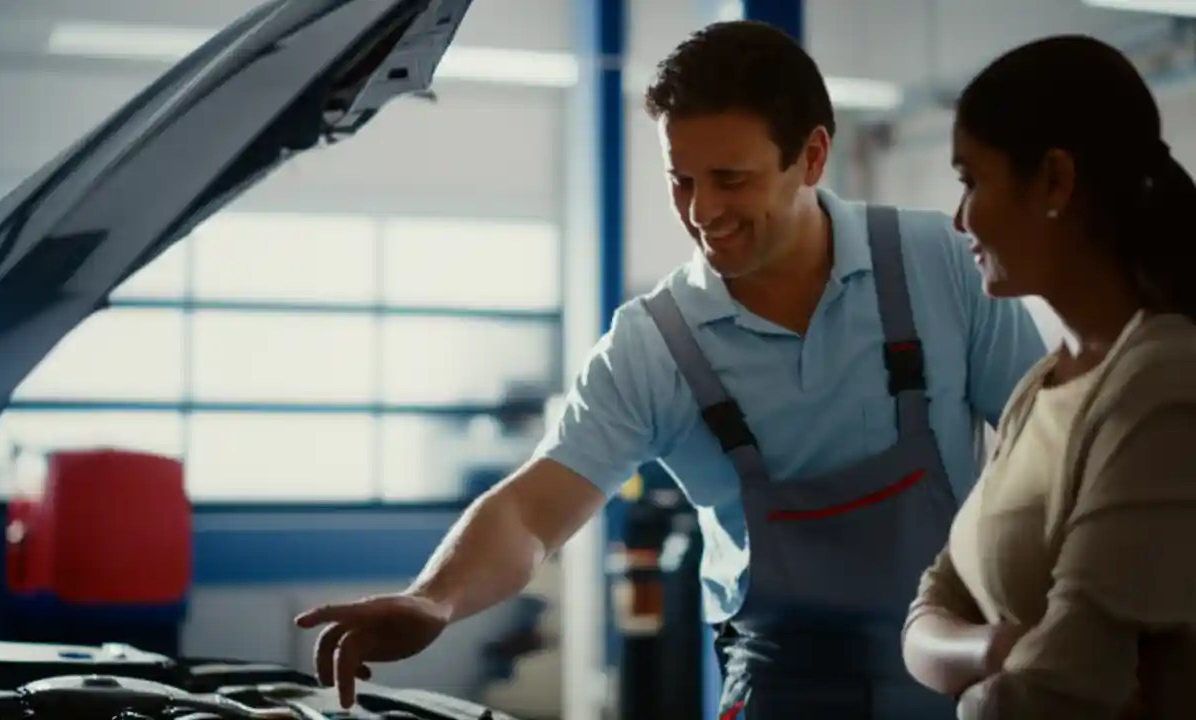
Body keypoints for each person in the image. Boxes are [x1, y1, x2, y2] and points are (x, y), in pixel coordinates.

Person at [295, 20, 1046, 718]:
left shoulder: (941, 267)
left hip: (964, 673)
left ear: (812, 156)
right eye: (680, 179)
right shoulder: (655, 344)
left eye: (731, 178)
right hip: (781, 690)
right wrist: (435, 600)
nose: (701, 210)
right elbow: (533, 508)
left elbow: (1052, 456)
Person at [901, 34, 1196, 719]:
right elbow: (928, 609)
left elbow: (1061, 685)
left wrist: (988, 680)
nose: (959, 219)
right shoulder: (1039, 388)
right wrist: (997, 651)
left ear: (1056, 181)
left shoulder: (1164, 384)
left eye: (971, 181)